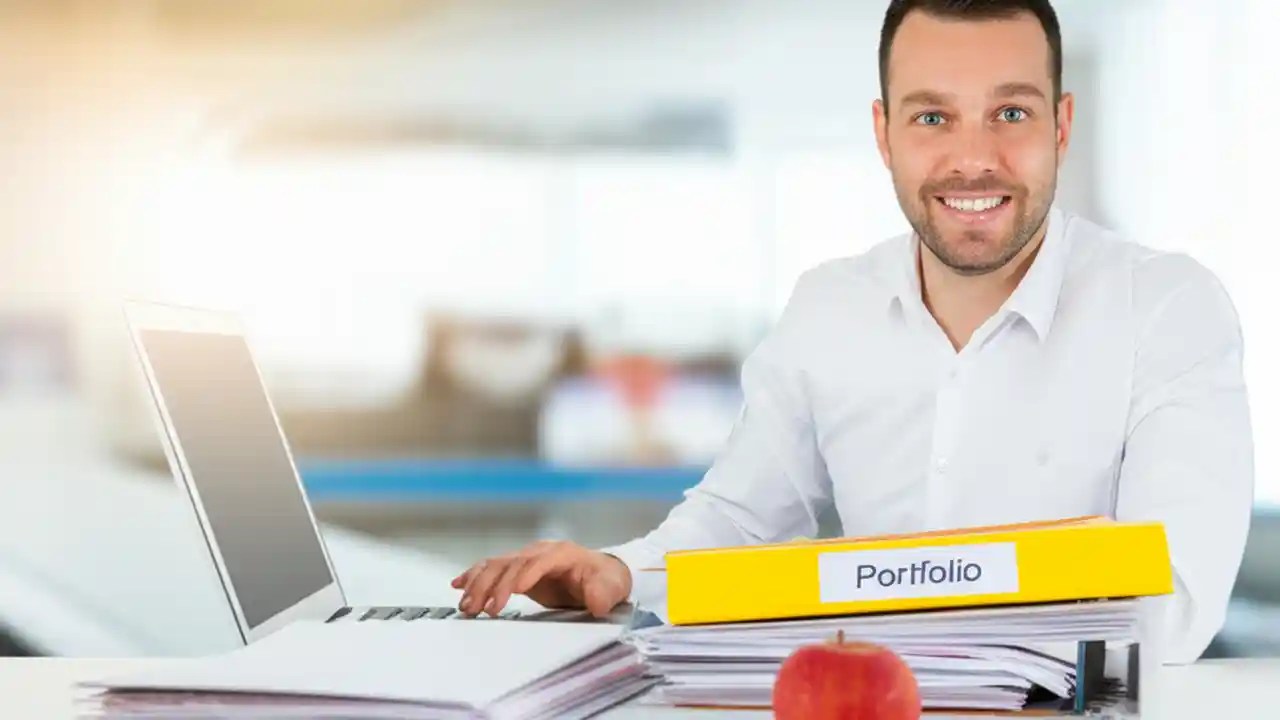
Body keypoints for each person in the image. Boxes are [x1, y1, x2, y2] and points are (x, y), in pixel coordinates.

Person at [451, 0, 1253, 664]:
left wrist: (933, 623)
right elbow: (742, 518)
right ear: (883, 134)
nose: (973, 158)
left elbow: (1173, 605)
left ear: (1062, 126)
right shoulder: (828, 308)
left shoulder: (1166, 309)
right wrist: (619, 572)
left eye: (1010, 113)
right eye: (932, 116)